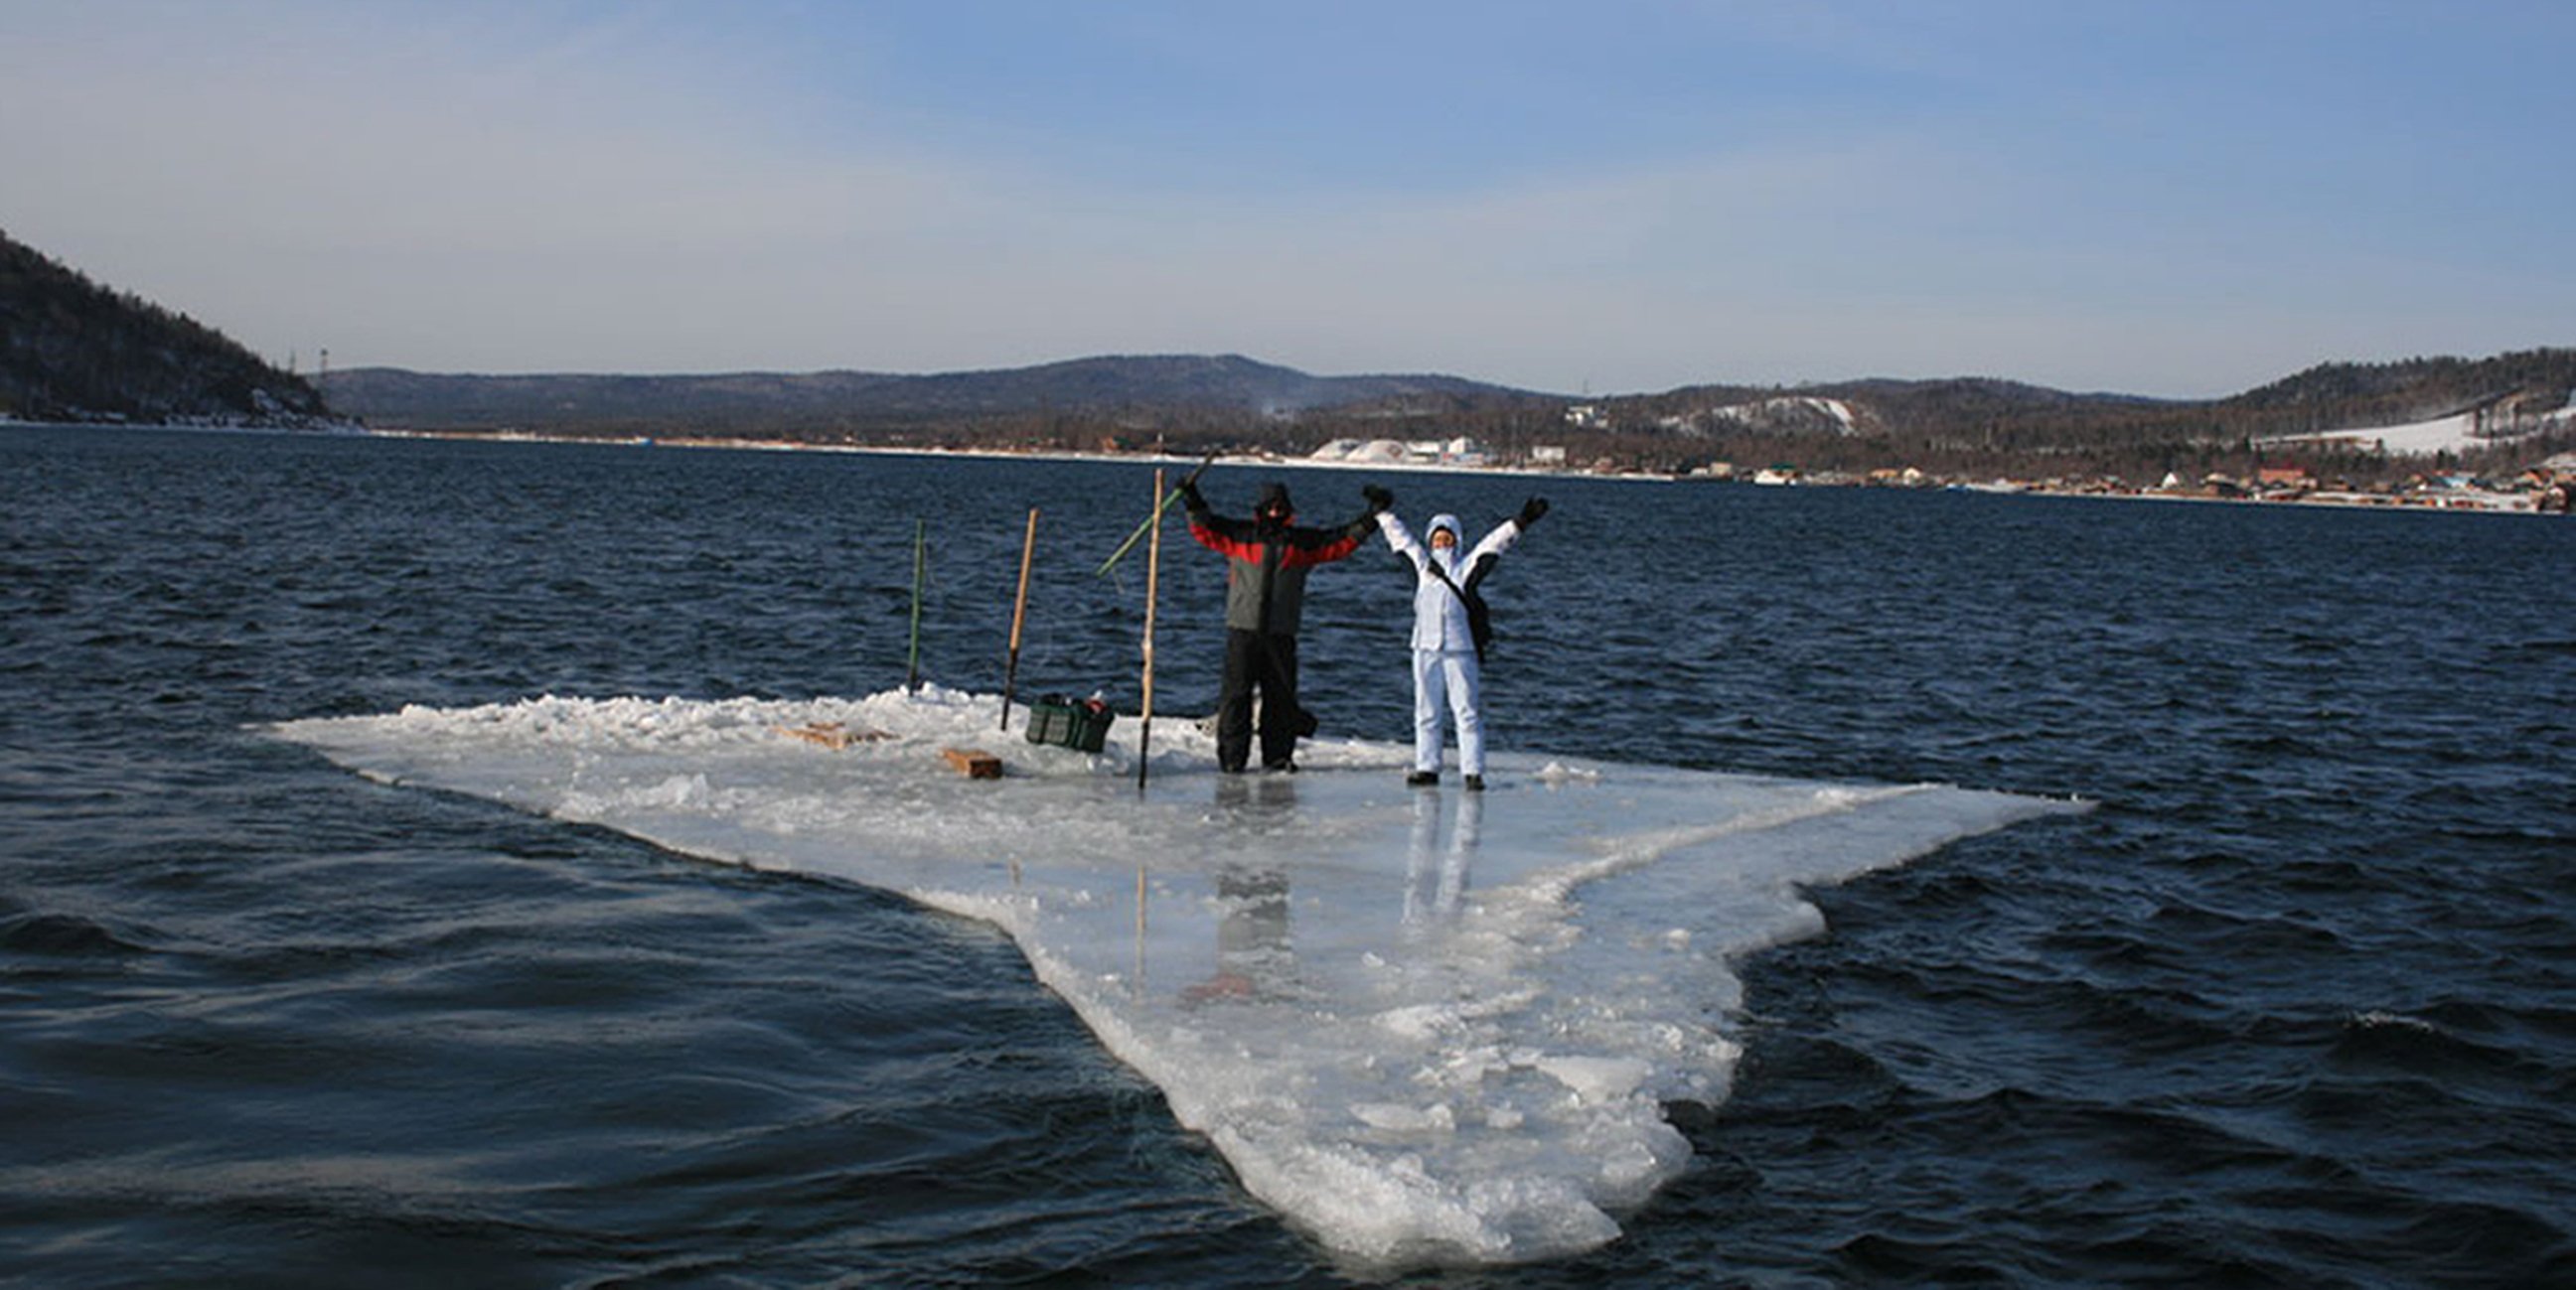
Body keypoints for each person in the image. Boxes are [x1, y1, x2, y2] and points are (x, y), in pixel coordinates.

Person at [1179, 478, 1387, 773]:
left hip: (1281, 633)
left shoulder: (1301, 542)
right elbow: (1205, 527)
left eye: (1280, 508)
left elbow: (1341, 541)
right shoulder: (1240, 536)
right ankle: (1232, 760)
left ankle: (1277, 757)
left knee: (1280, 698)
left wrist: (1371, 516)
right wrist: (1191, 497)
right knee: (1236, 697)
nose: (1275, 513)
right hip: (1243, 630)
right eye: (1270, 508)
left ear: (1288, 511)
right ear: (1261, 510)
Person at [1373, 493, 1547, 789]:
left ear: (1457, 541)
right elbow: (1401, 540)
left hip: (1460, 649)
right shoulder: (1421, 567)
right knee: (1426, 711)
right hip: (1424, 648)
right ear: (1430, 541)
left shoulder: (1466, 569)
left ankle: (1473, 771)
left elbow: (1493, 544)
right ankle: (1427, 767)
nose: (1442, 544)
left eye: (1447, 539)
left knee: (1466, 711)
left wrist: (1521, 522)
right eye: (1437, 539)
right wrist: (1381, 514)